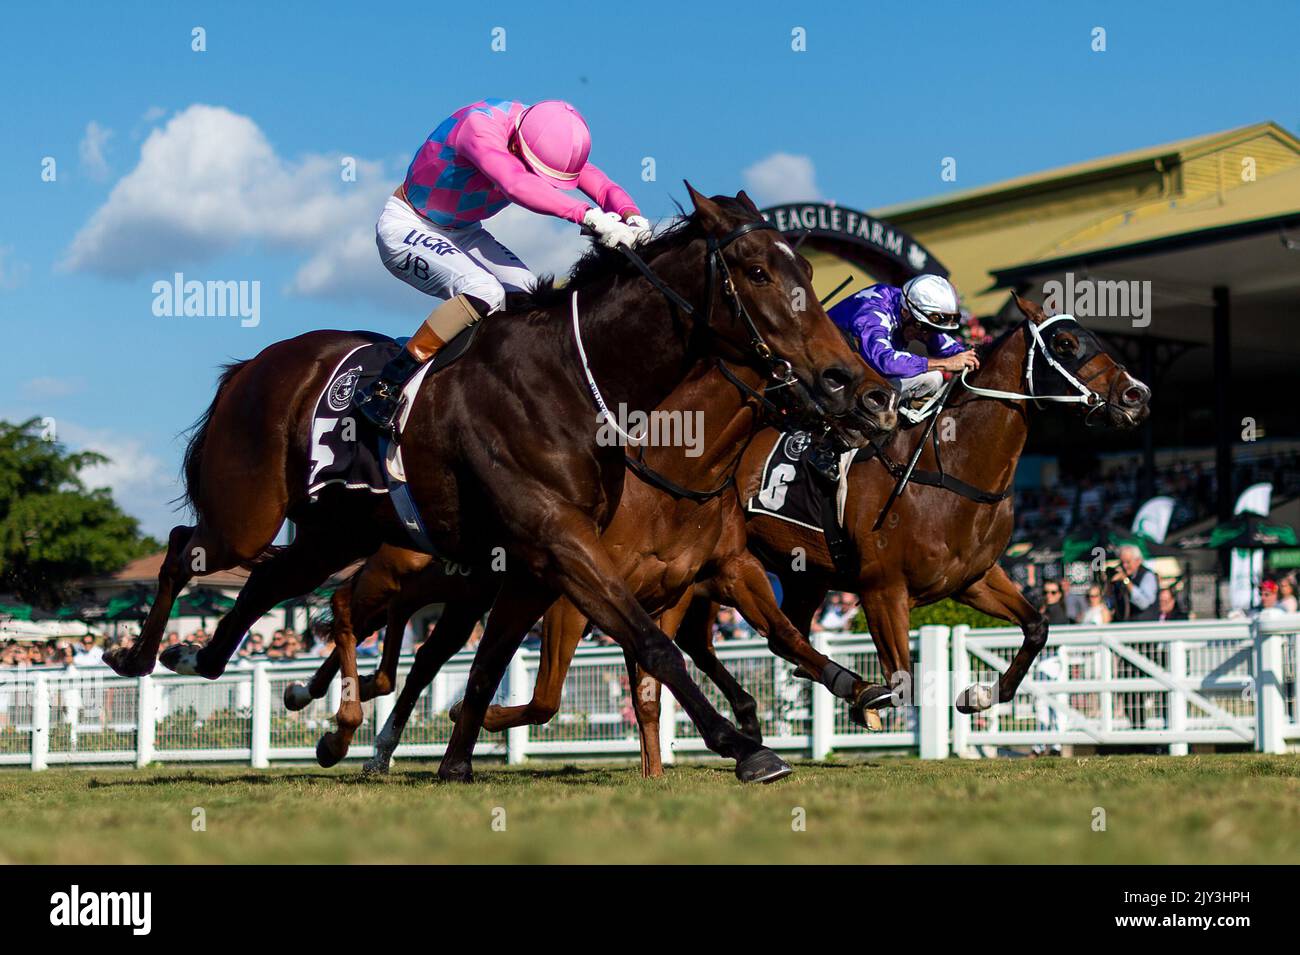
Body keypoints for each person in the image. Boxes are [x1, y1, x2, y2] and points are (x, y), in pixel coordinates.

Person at [355, 99, 651, 434]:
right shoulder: (479, 127)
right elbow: (515, 184)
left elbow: (602, 185)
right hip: (409, 226)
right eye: (534, 168)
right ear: (515, 144)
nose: (537, 177)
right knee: (485, 291)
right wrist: (588, 216)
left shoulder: (546, 133)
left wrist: (632, 215)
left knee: (530, 298)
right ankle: (387, 385)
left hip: (465, 232)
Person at [826, 274, 979, 404]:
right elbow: (886, 362)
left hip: (853, 371)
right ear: (905, 313)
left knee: (932, 378)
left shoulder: (908, 306)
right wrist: (945, 364)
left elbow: (942, 343)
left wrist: (966, 354)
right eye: (924, 328)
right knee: (932, 379)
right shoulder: (871, 315)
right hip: (829, 381)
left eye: (932, 330)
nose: (926, 337)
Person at [1107, 545, 1158, 621]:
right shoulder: (1122, 577)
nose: (1124, 566)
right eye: (1122, 562)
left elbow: (1143, 603)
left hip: (1145, 626)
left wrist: (1126, 581)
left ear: (1138, 561)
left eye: (1128, 562)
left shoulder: (1148, 576)